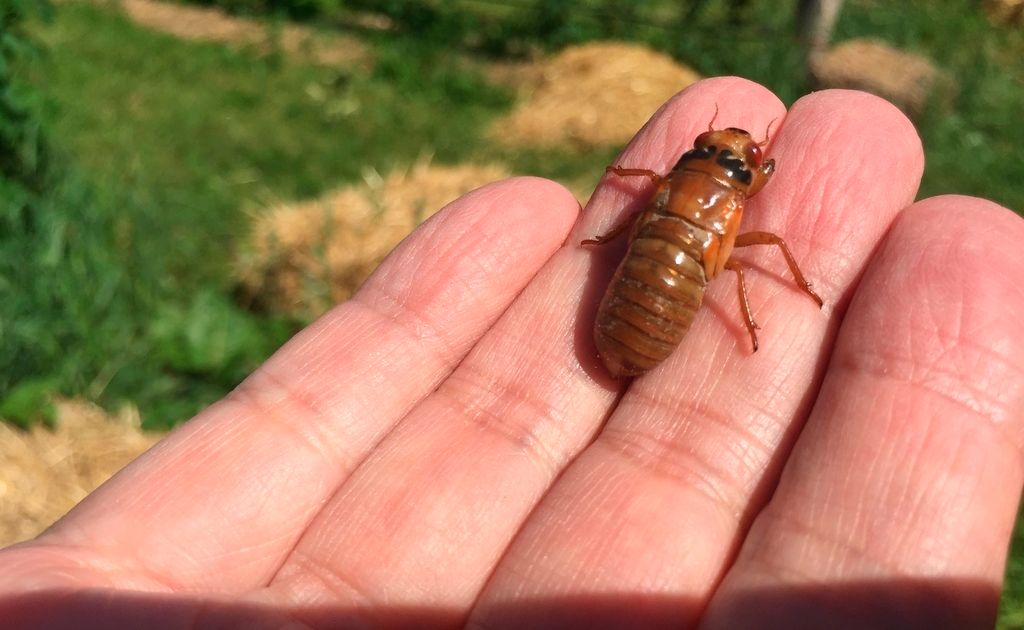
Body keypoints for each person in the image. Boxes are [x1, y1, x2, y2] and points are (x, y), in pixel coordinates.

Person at [1, 78, 1022, 629]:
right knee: (754, 269)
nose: (726, 160)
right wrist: (753, 296)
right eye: (720, 154)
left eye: (729, 159)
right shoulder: (734, 214)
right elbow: (749, 254)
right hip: (665, 295)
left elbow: (675, 221)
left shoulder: (669, 192)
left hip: (648, 288)